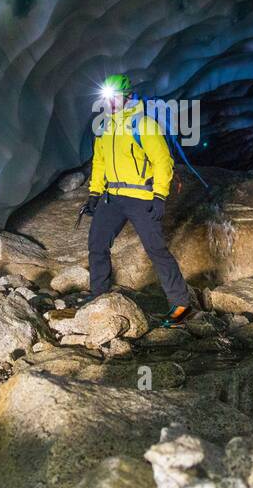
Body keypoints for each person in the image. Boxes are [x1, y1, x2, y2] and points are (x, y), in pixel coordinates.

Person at [80, 75, 192, 325]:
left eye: (115, 98)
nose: (110, 103)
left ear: (128, 96)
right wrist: (95, 192)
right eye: (106, 99)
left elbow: (163, 161)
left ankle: (181, 303)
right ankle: (99, 296)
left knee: (155, 248)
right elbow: (99, 162)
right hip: (113, 197)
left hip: (141, 196)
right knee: (97, 244)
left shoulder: (144, 125)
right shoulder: (105, 127)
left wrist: (159, 195)